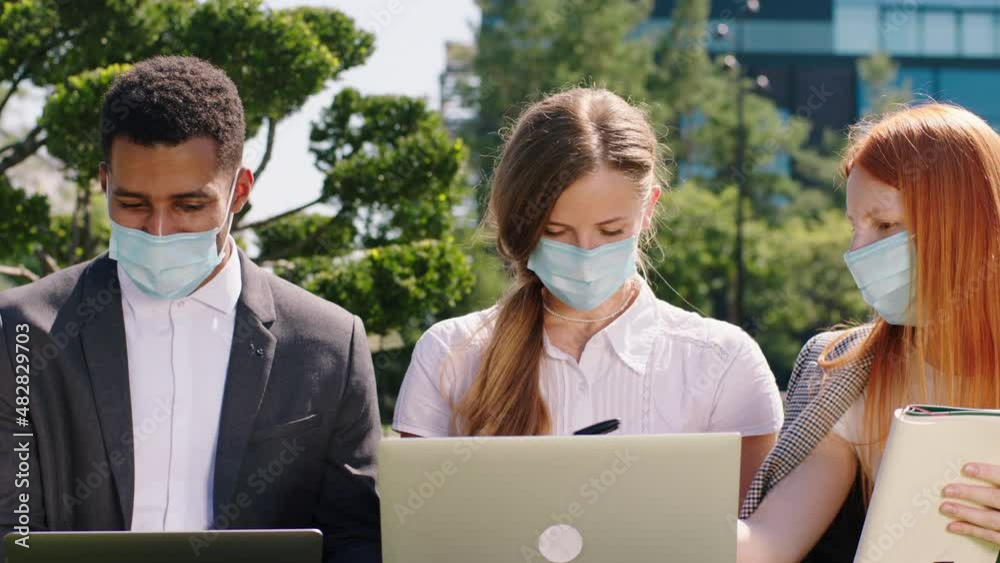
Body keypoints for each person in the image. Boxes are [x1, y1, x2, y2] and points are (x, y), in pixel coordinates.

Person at [0, 56, 381, 563]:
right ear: (104, 183)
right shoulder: (21, 332)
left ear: (239, 192)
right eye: (133, 204)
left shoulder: (328, 343)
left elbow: (354, 539)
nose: (158, 230)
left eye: (189, 206)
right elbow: (10, 529)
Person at [392, 87, 783, 506]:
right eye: (556, 232)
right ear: (520, 224)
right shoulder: (451, 353)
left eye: (610, 231)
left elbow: (748, 537)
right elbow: (419, 536)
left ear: (648, 208)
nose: (585, 253)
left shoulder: (722, 362)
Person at [738, 103, 1000, 562]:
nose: (857, 250)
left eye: (885, 225)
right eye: (854, 225)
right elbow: (767, 543)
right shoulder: (845, 371)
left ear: (966, 225)